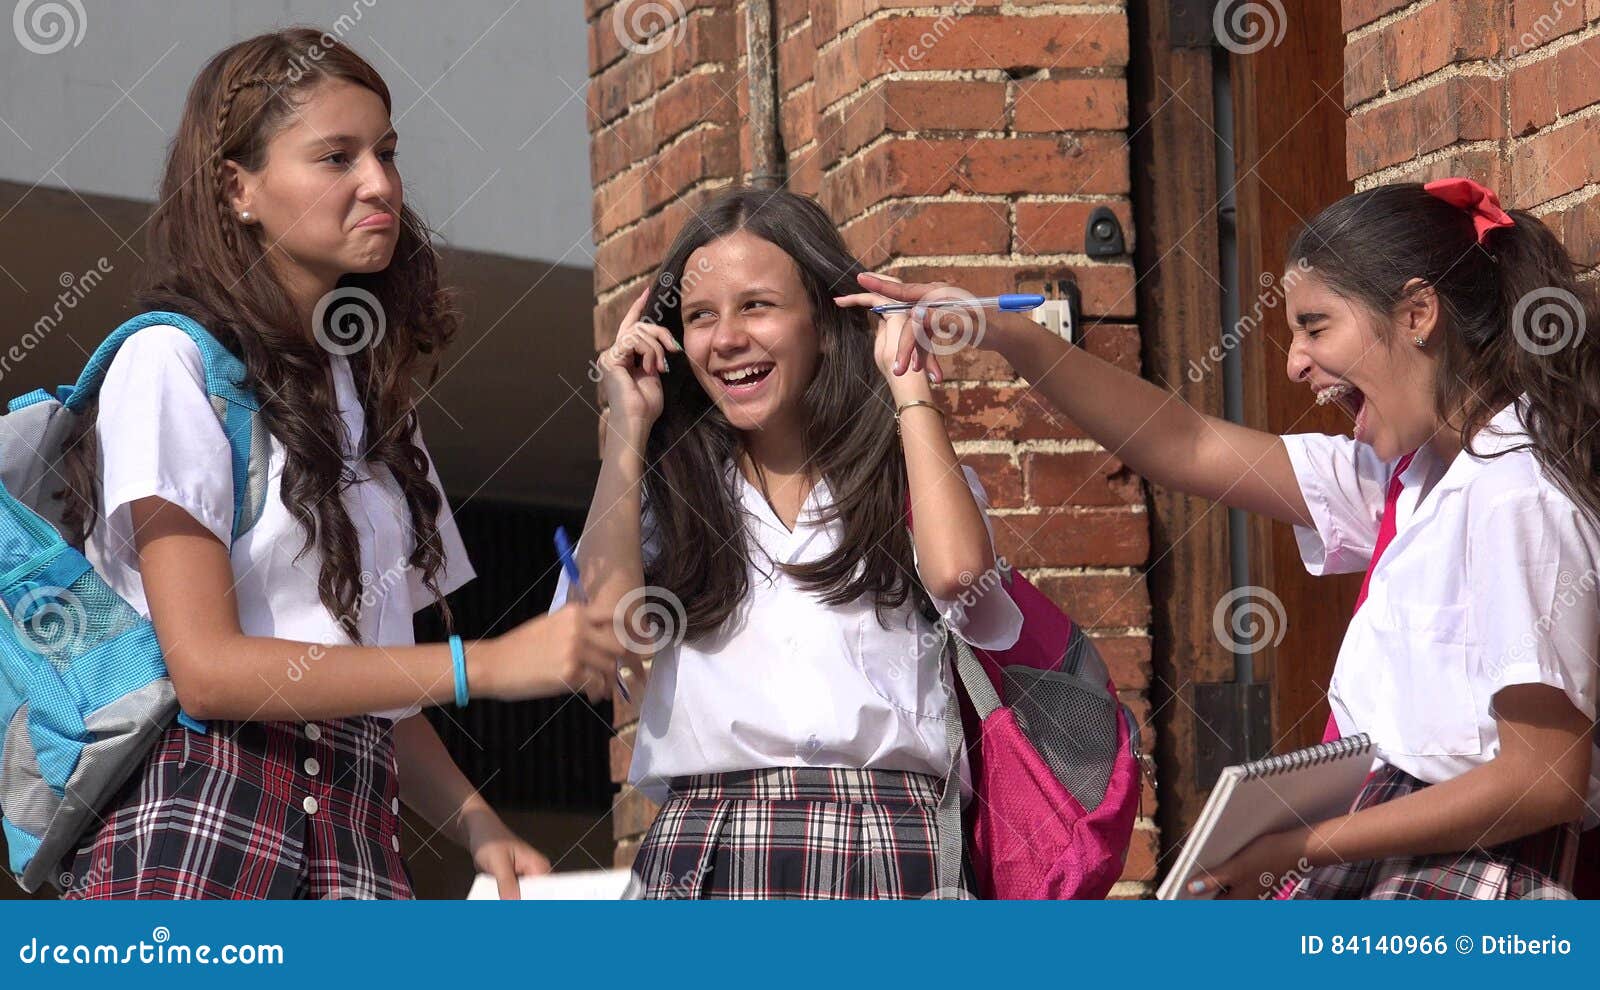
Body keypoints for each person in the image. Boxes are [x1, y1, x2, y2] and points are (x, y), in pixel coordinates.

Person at [854, 177, 1598, 899]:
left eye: (1316, 326)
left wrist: (1300, 846)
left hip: (1474, 880)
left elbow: (1542, 778)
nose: (1294, 362)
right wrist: (1004, 330)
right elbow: (1182, 443)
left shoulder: (1512, 493)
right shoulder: (1408, 480)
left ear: (1416, 315)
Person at [58, 28, 624, 900]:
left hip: (358, 844)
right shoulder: (171, 364)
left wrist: (480, 824)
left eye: (388, 152)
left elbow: (367, 671)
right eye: (337, 157)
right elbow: (207, 671)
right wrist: (488, 664)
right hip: (207, 833)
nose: (381, 185)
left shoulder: (375, 397)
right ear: (238, 189)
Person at [564, 188, 1021, 898]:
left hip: (891, 840)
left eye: (756, 306)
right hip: (708, 843)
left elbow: (962, 575)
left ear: (823, 314)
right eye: (699, 317)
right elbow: (607, 627)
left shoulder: (901, 475)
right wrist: (627, 427)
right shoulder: (671, 495)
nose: (726, 338)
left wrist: (907, 386)